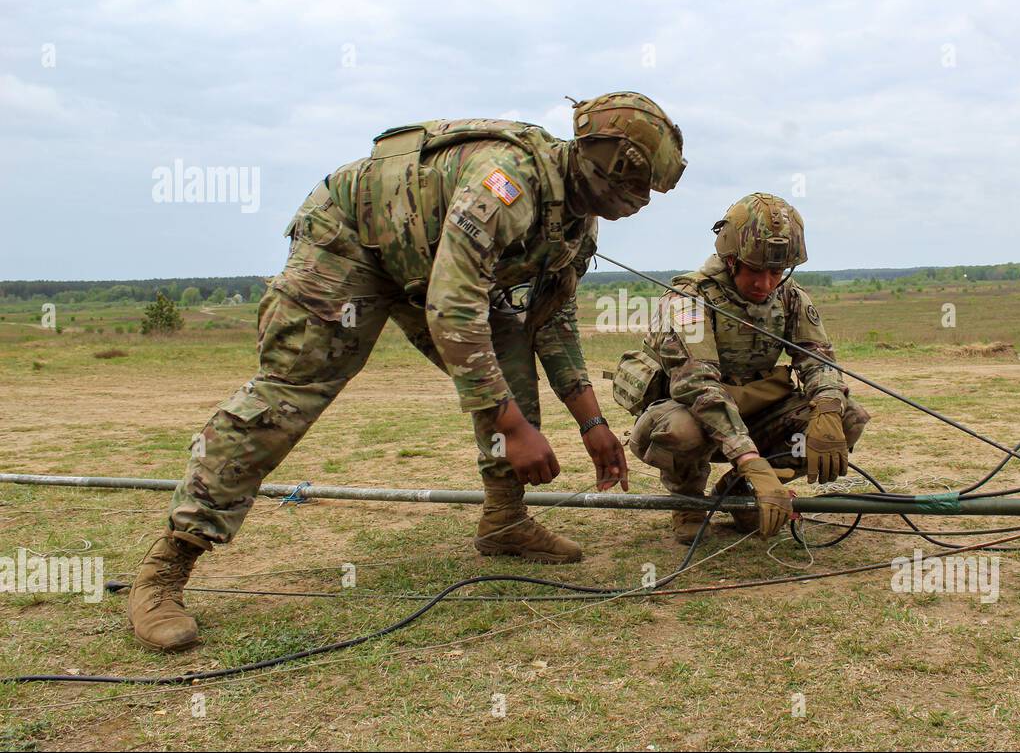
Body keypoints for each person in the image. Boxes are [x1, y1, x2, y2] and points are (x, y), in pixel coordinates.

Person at [129, 93, 686, 652]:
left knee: (509, 354)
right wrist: (512, 427)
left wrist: (591, 424)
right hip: (351, 244)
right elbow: (454, 307)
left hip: (425, 267)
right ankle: (169, 565)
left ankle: (504, 521)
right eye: (636, 188)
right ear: (602, 162)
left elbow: (550, 317)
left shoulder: (576, 219)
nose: (641, 203)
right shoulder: (506, 183)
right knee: (293, 389)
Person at [616, 193, 868, 544]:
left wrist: (827, 405)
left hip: (756, 413)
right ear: (731, 260)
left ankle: (743, 491)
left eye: (776, 272)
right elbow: (698, 387)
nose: (765, 284)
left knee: (848, 417)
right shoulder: (688, 300)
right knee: (680, 430)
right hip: (694, 415)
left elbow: (818, 358)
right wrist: (749, 457)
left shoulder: (790, 297)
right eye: (755, 271)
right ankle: (689, 501)